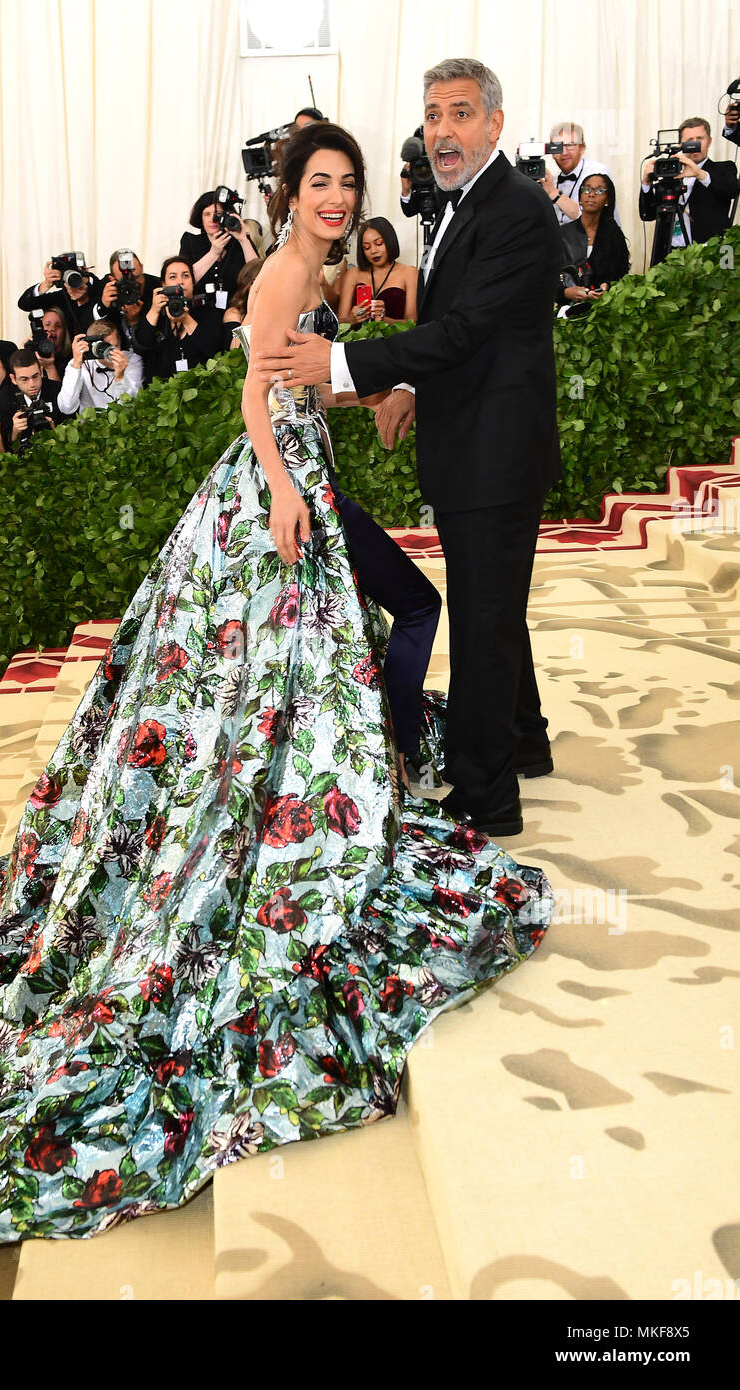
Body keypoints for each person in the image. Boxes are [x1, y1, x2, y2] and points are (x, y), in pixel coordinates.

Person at [0, 118, 552, 1252]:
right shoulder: (279, 269)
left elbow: (304, 381)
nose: (336, 198)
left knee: (335, 652)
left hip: (303, 478)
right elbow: (255, 398)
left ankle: (343, 778)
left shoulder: (321, 270)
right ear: (290, 191)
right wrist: (276, 483)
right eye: (320, 183)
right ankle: (282, 805)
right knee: (267, 676)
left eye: (349, 184)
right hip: (271, 494)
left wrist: (375, 400)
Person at [257, 59, 563, 837]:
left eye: (459, 113)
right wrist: (407, 390)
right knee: (492, 609)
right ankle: (523, 739)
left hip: (493, 455)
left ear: (495, 122)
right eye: (432, 114)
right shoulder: (460, 203)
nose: (442, 131)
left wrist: (340, 364)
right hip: (474, 444)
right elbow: (457, 333)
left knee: (483, 617)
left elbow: (462, 332)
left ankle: (484, 796)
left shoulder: (515, 209)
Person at [639, 117, 739, 251]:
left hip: (711, 251)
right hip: (671, 253)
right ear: (680, 145)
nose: (694, 144)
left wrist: (699, 173)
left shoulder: (724, 168)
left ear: (709, 141)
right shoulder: (670, 173)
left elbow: (731, 190)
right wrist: (646, 184)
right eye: (689, 141)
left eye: (700, 139)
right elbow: (648, 215)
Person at [132, 258, 223, 383]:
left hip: (201, 388)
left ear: (193, 282)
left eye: (186, 276)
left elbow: (211, 349)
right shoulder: (155, 310)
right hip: (161, 392)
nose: (180, 282)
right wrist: (154, 310)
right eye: (173, 277)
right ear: (163, 284)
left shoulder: (206, 310)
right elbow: (141, 346)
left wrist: (186, 319)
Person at [557, 174, 630, 315]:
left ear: (607, 199)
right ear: (580, 197)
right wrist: (565, 292)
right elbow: (547, 274)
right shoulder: (563, 233)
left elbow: (622, 273)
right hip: (568, 311)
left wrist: (607, 286)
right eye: (587, 189)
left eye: (599, 191)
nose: (591, 194)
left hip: (604, 309)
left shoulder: (613, 233)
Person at [179, 191, 260, 312]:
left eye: (218, 214)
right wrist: (213, 253)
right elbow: (185, 281)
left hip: (235, 310)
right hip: (199, 311)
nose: (213, 219)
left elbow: (258, 276)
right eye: (207, 214)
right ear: (200, 218)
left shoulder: (238, 242)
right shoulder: (190, 241)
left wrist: (243, 239)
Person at [338, 218, 418, 324]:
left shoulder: (409, 273)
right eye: (366, 247)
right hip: (358, 340)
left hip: (394, 340)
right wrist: (351, 319)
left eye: (379, 243)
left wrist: (384, 320)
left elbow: (412, 322)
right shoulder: (353, 274)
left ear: (389, 241)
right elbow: (340, 321)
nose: (373, 251)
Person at [57, 321, 143, 415]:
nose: (110, 353)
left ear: (119, 340)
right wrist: (76, 367)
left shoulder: (132, 360)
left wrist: (120, 378)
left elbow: (133, 406)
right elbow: (66, 408)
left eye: (115, 346)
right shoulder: (81, 363)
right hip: (90, 425)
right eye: (105, 348)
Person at [540, 122, 617, 226]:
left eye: (570, 145)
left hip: (598, 240)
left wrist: (554, 193)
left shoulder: (598, 173)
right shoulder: (553, 179)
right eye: (557, 147)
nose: (564, 152)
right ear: (551, 153)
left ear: (582, 148)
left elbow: (591, 217)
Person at [0, 349, 67, 450]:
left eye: (35, 376)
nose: (32, 384)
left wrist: (55, 430)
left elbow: (70, 438)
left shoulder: (58, 391)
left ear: (41, 371)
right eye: (24, 379)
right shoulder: (5, 399)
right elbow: (7, 447)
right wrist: (15, 431)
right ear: (13, 379)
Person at [18, 256, 102, 339]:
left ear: (86, 270)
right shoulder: (62, 297)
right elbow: (24, 304)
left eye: (75, 272)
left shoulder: (103, 289)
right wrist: (46, 284)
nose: (72, 277)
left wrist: (83, 301)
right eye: (67, 274)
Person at [222, 258, 264, 349]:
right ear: (247, 284)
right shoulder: (233, 313)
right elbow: (234, 351)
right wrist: (251, 311)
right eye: (255, 282)